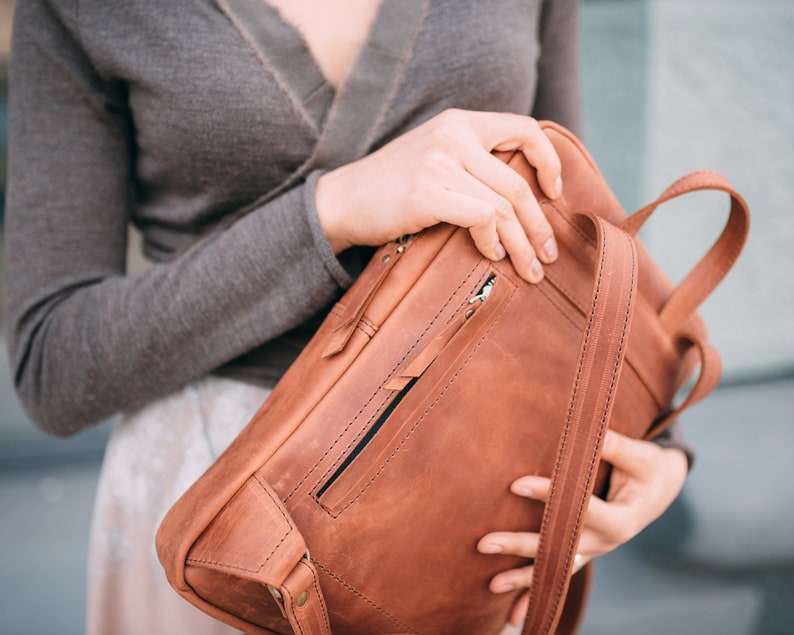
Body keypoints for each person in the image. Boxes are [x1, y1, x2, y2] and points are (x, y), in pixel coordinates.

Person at [4, 0, 690, 633]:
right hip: (225, 517)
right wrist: (333, 209)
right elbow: (52, 362)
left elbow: (570, 221)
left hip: (478, 487)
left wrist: (652, 445)